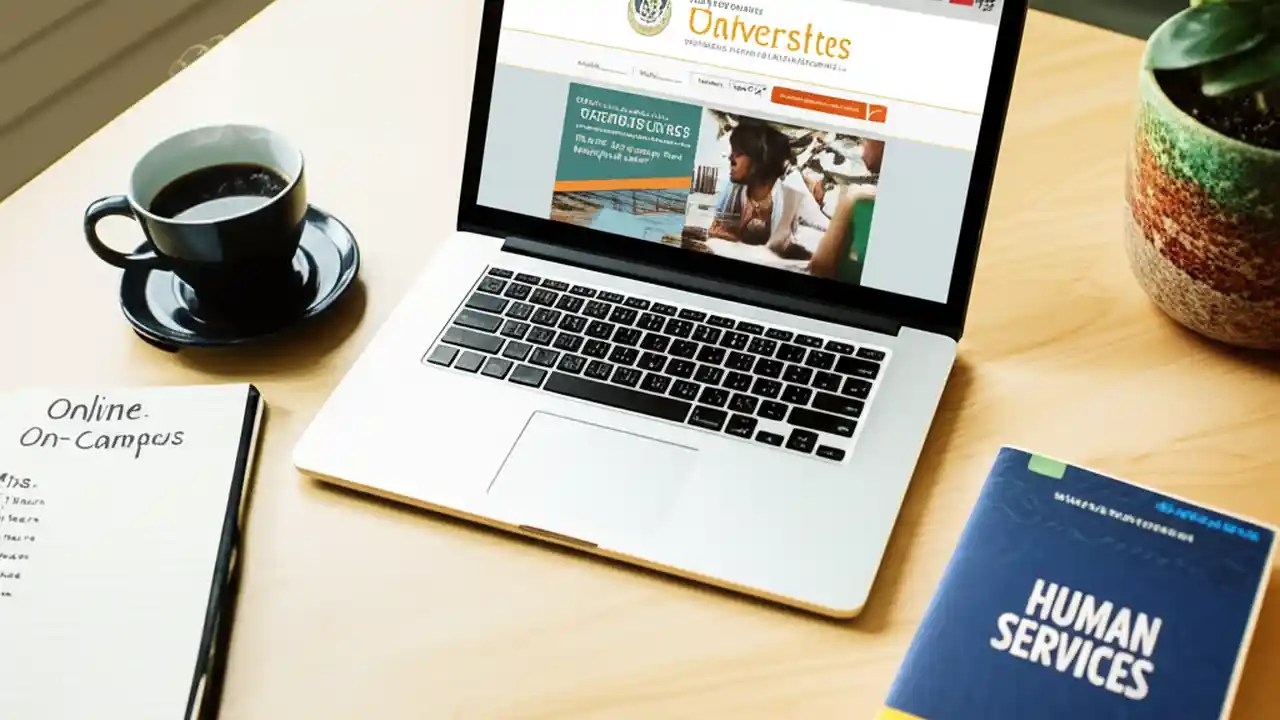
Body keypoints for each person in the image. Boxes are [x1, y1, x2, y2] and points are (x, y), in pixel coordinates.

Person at [707, 122, 829, 261]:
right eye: (732, 152)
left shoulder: (788, 186)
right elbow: (717, 230)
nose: (731, 159)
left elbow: (781, 246)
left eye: (739, 153)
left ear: (758, 160)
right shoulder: (734, 187)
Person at [809, 138, 883, 281]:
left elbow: (819, 268)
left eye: (867, 141)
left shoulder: (859, 201)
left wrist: (845, 208)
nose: (862, 148)